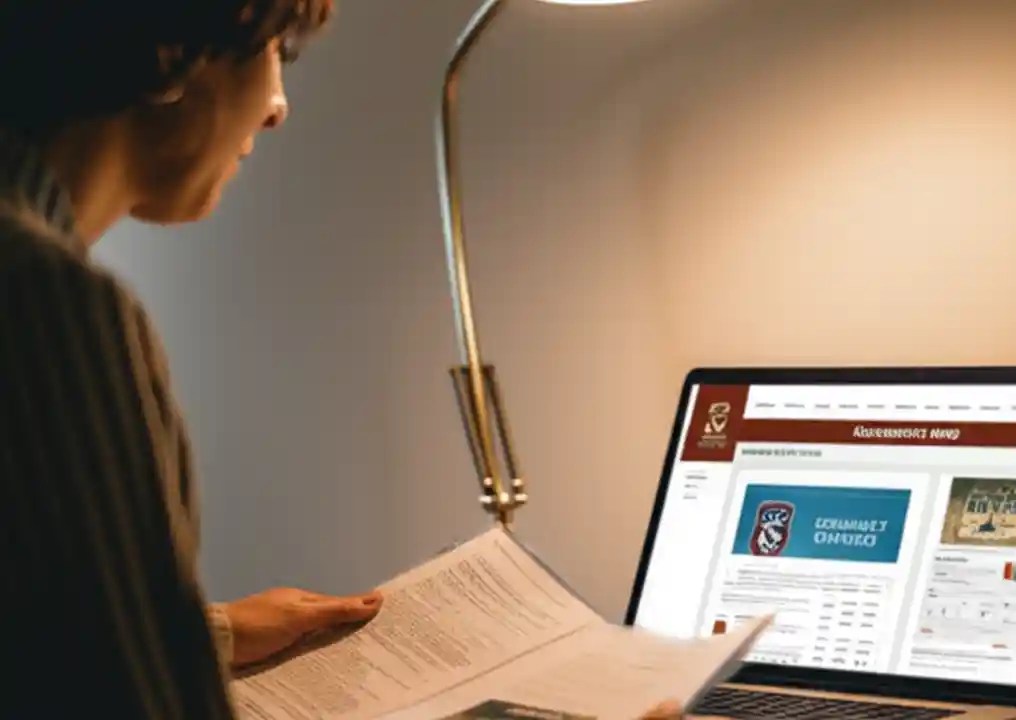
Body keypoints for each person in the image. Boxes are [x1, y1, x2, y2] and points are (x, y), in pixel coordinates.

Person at [0, 2, 688, 718]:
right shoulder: (45, 304)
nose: (277, 107)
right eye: (279, 52)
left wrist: (204, 634)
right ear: (174, 53)